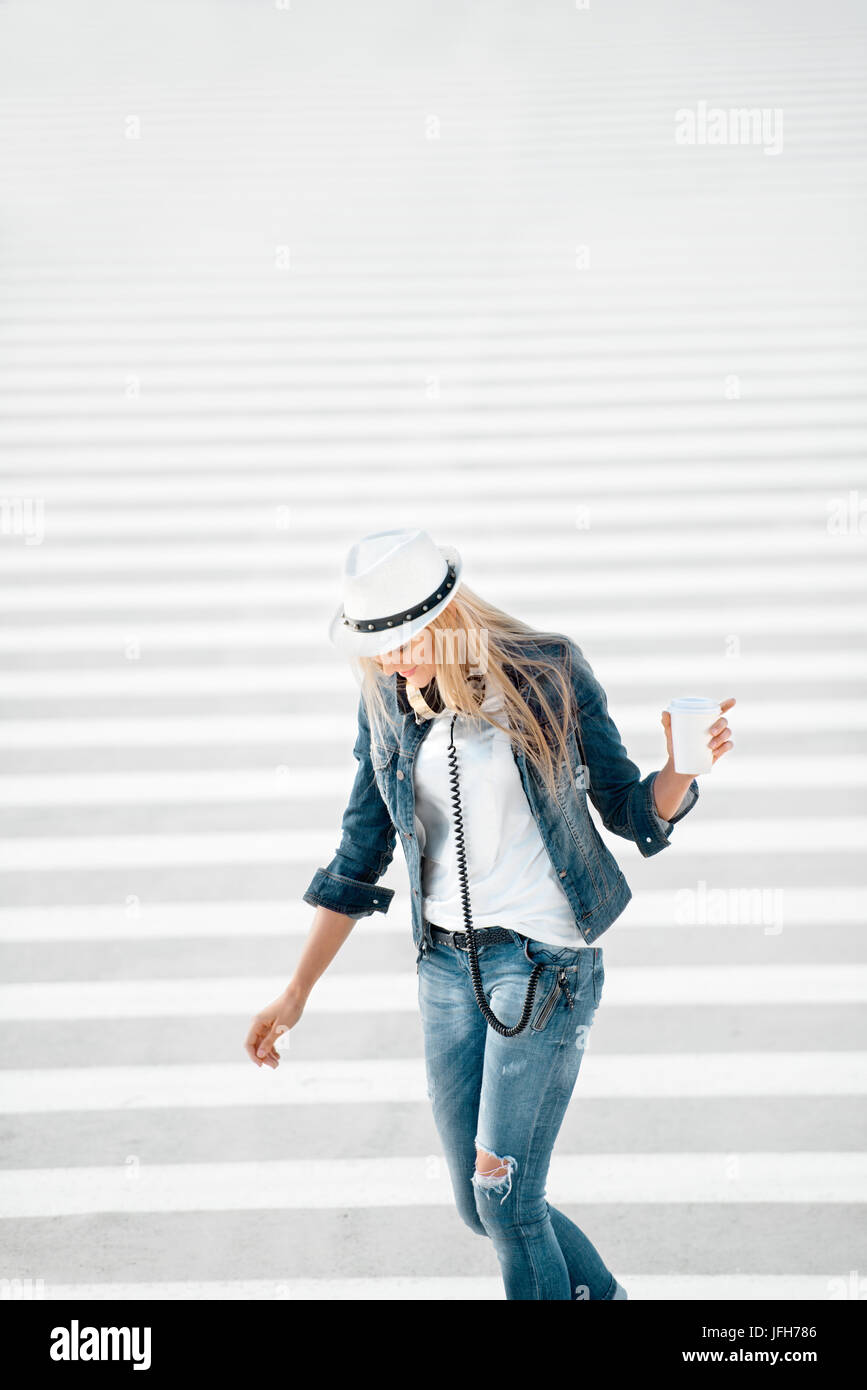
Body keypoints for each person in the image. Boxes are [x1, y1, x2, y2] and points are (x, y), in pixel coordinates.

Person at [244, 527, 735, 1300]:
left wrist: (682, 766)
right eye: (376, 647)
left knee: (506, 1197)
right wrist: (295, 992)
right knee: (485, 1208)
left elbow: (629, 810)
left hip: (545, 964)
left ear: (445, 617)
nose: (390, 661)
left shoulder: (547, 672)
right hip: (445, 966)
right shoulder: (383, 701)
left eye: (404, 642)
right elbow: (356, 856)